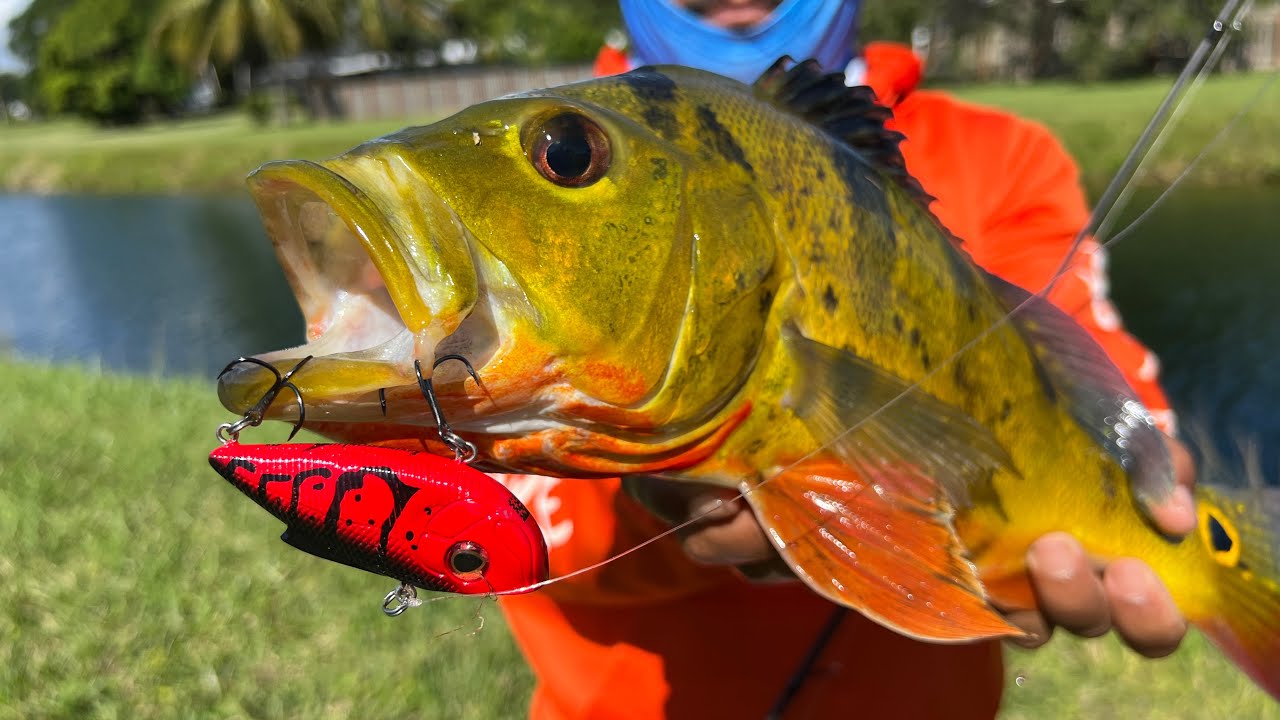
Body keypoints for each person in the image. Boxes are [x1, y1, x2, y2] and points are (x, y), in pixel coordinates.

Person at [496, 1, 1199, 717]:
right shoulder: (506, 168)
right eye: (568, 162)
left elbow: (1095, 367)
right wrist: (662, 497)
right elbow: (481, 523)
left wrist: (1150, 478)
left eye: (573, 161)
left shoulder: (1004, 153)